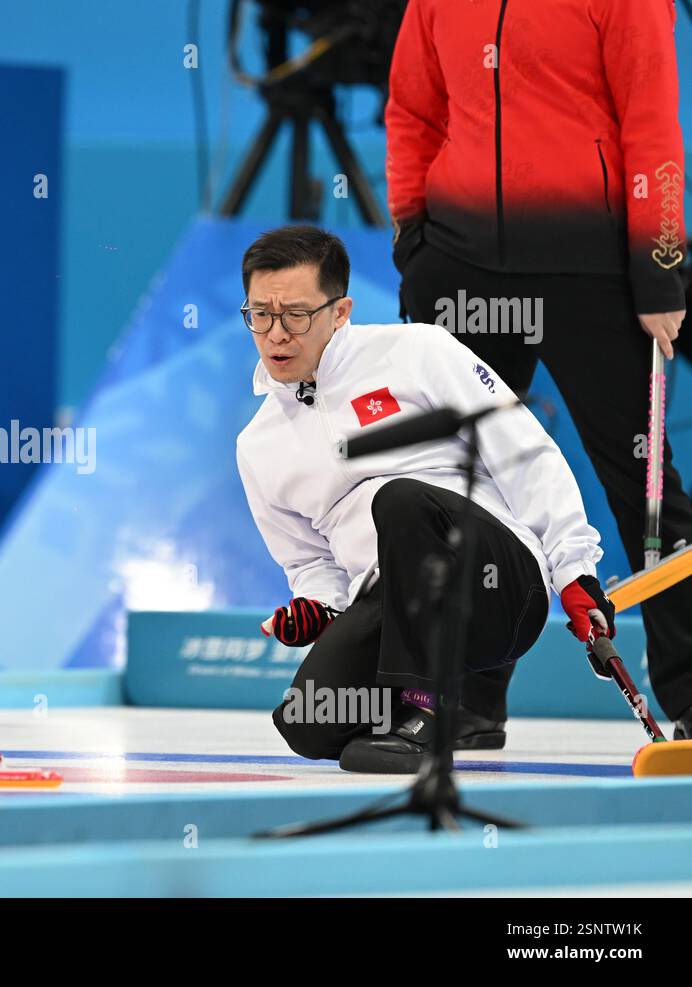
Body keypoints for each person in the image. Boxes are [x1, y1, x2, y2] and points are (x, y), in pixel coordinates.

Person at [387, 0, 691, 742]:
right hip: (462, 268)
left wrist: (660, 272)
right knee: (464, 484)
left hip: (591, 270)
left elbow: (652, 129)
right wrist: (412, 238)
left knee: (643, 483)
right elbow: (410, 111)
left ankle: (689, 693)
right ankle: (465, 697)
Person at [237, 226, 615, 772]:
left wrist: (574, 570)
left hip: (498, 587)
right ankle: (405, 716)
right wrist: (317, 610)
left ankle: (426, 712)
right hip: (396, 609)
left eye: (296, 315)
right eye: (260, 315)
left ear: (340, 311)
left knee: (400, 500)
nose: (277, 334)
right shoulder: (258, 445)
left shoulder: (417, 351)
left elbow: (525, 451)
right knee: (308, 724)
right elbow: (312, 562)